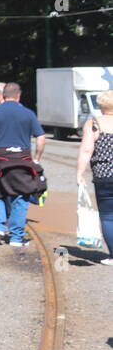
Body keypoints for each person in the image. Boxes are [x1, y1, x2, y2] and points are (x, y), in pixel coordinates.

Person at [0, 82, 46, 246]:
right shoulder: (28, 114)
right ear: (19, 96)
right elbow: (41, 139)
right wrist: (37, 158)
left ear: (3, 96)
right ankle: (16, 237)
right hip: (22, 160)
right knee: (20, 197)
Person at [74, 89, 113, 265]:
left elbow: (87, 149)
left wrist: (80, 172)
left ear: (100, 105)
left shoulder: (94, 124)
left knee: (107, 216)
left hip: (103, 175)